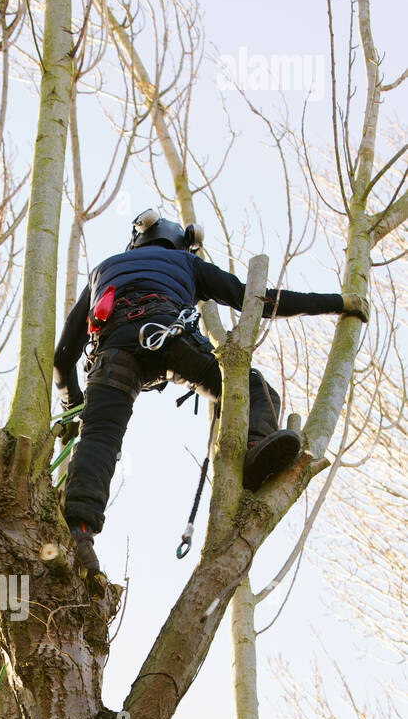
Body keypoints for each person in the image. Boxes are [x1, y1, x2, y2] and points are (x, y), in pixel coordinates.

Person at [54, 207, 370, 577]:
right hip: (173, 339)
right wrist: (338, 302)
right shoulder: (186, 264)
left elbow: (63, 358)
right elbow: (258, 299)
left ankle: (79, 534)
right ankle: (253, 450)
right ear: (181, 244)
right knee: (254, 389)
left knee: (99, 439)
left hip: (114, 353)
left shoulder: (103, 270)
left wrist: (74, 407)